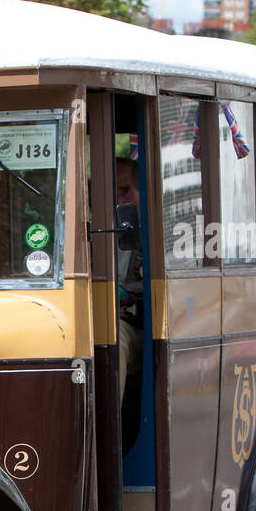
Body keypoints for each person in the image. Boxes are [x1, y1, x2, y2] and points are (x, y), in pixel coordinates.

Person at [114, 157, 144, 402]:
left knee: (116, 335)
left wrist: (124, 294)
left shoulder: (153, 236)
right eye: (108, 192)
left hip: (141, 329)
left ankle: (105, 432)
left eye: (124, 191)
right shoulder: (86, 236)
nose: (117, 201)